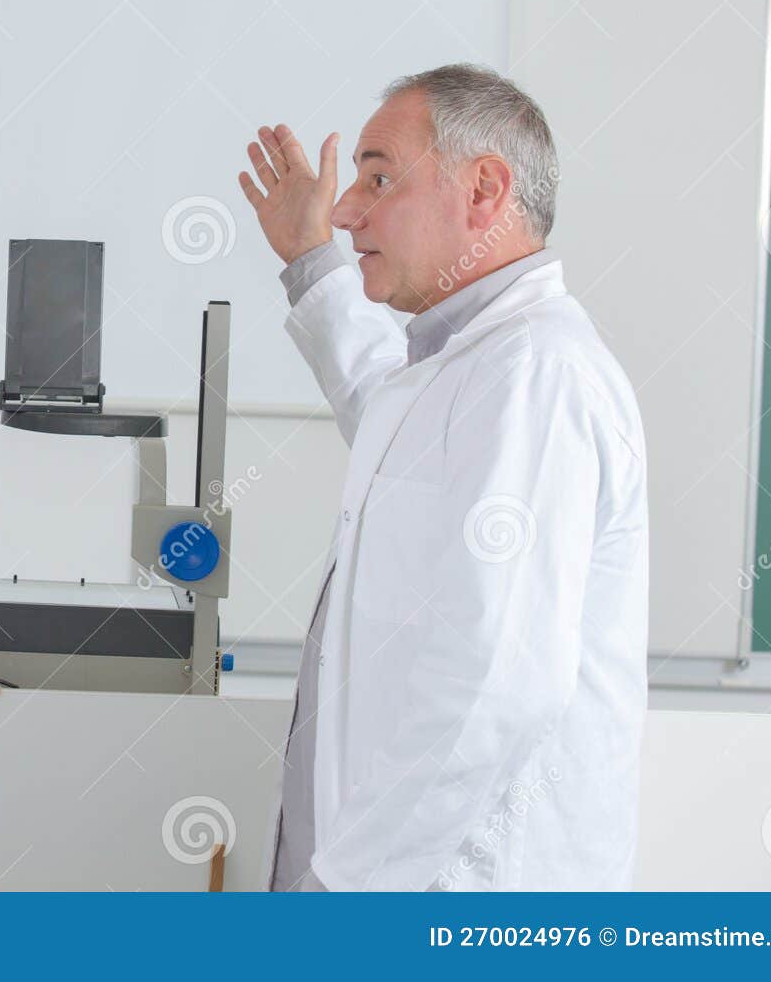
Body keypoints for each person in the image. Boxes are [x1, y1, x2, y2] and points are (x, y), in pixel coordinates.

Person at [237, 64, 648, 890]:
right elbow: (388, 417)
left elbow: (500, 681)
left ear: (484, 190)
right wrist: (311, 262)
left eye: (379, 176)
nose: (347, 207)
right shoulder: (466, 364)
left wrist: (350, 889)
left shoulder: (535, 373)